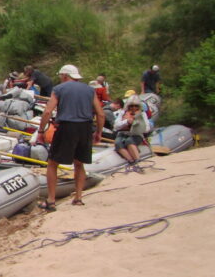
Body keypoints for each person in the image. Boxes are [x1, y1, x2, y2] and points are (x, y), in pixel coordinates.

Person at [37, 64, 104, 210]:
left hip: (67, 126)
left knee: (52, 163)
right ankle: (78, 198)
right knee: (79, 164)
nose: (60, 78)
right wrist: (98, 132)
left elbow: (48, 111)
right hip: (85, 127)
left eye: (61, 76)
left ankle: (51, 200)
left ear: (65, 76)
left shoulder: (59, 89)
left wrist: (41, 131)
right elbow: (100, 113)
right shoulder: (89, 90)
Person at [113, 96, 150, 170]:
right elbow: (116, 126)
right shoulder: (122, 113)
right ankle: (131, 161)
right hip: (122, 133)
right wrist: (126, 121)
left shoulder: (142, 114)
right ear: (128, 106)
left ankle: (138, 160)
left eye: (136, 106)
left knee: (129, 141)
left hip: (136, 134)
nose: (133, 108)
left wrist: (138, 125)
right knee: (118, 143)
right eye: (131, 106)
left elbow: (147, 128)